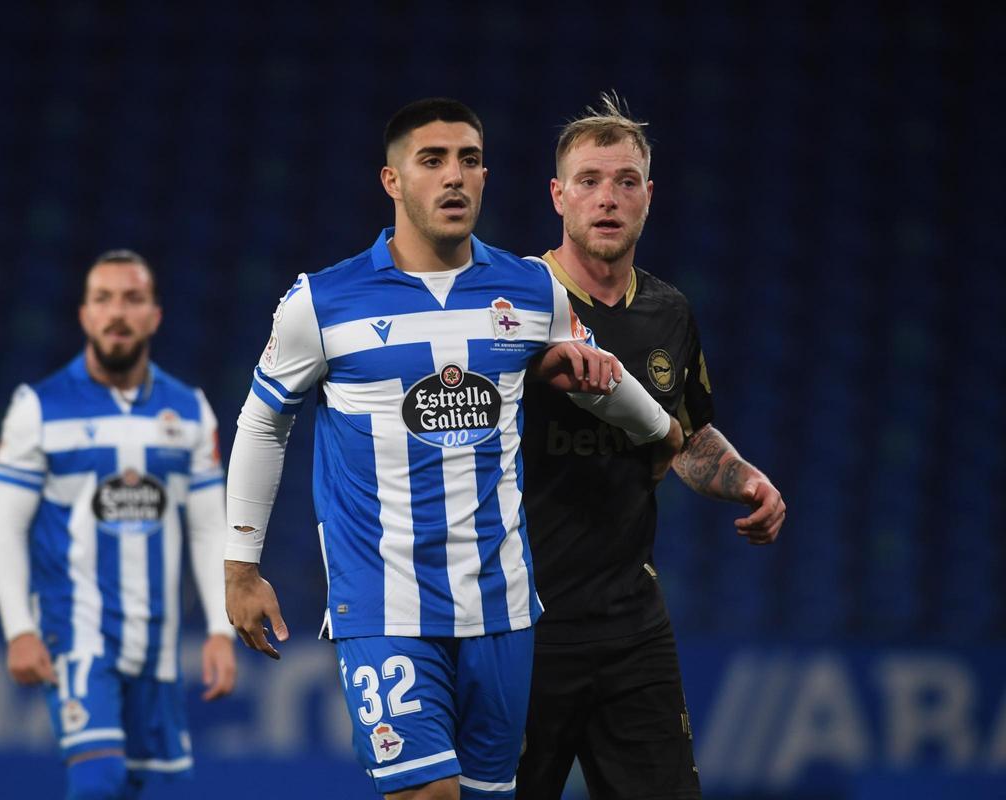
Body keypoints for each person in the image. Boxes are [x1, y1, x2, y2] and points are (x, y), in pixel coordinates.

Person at [222, 98, 683, 800]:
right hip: (385, 605)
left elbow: (594, 376)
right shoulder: (324, 301)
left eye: (469, 160)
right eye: (432, 161)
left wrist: (661, 431)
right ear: (393, 181)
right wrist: (240, 567)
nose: (454, 177)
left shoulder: (531, 290)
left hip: (501, 608)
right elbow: (262, 424)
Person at [515, 94, 788, 800]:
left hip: (631, 628)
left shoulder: (669, 311)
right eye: (589, 180)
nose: (608, 198)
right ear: (558, 196)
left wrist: (747, 480)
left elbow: (685, 436)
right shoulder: (510, 301)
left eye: (626, 181)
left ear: (648, 196)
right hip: (515, 628)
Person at [0, 250, 237, 800]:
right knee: (98, 780)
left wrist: (221, 629)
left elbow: (207, 528)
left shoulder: (189, 411)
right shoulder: (39, 409)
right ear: (84, 315)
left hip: (155, 640)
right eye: (103, 299)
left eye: (132, 299)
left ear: (155, 315)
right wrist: (18, 629)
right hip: (75, 632)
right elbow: (5, 528)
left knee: (130, 788)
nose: (116, 313)